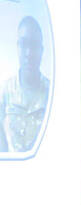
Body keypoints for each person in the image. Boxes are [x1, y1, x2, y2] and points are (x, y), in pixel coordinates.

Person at [0, 16, 49, 153]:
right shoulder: (3, 93)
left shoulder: (52, 94)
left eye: (34, 45)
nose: (28, 53)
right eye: (23, 44)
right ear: (17, 47)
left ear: (42, 50)